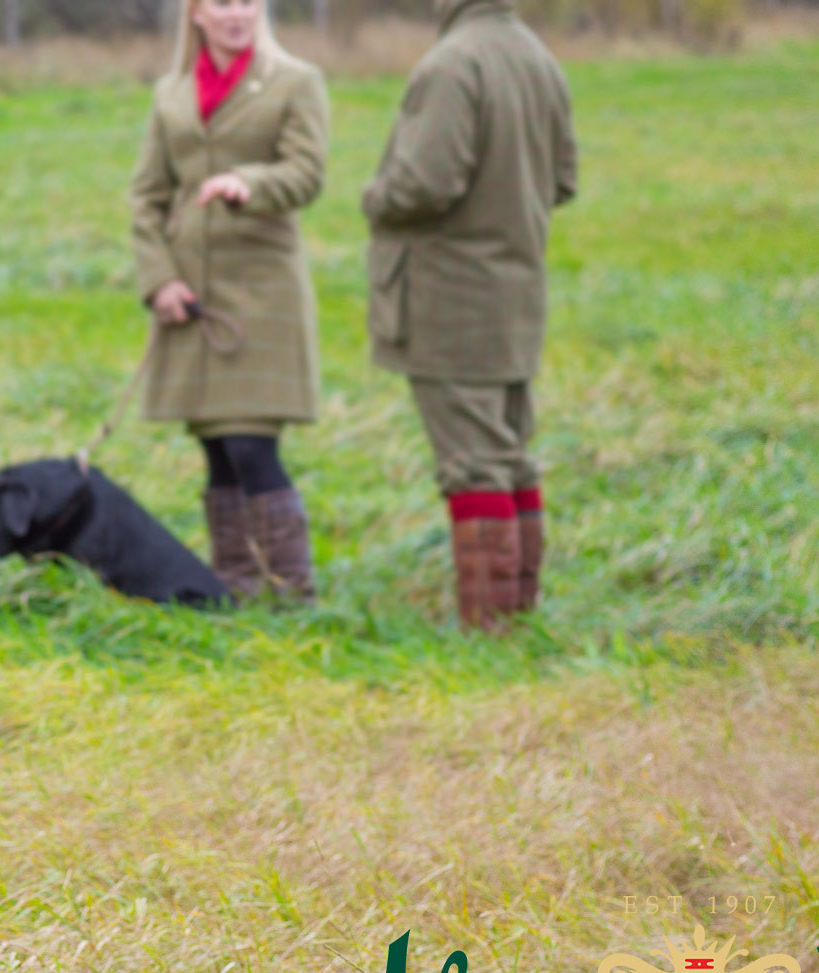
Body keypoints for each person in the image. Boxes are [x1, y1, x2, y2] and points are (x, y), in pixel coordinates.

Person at [361, 0, 577, 629]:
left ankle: (491, 635)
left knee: (474, 465)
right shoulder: (539, 58)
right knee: (510, 456)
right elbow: (563, 180)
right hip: (515, 297)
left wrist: (374, 197)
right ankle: (518, 621)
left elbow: (426, 182)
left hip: (448, 302)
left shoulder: (452, 63)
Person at [129, 0, 330, 602]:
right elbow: (146, 197)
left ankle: (291, 594)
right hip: (194, 293)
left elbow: (307, 171)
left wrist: (252, 184)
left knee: (251, 443)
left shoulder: (296, 82)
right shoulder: (171, 93)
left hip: (262, 291)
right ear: (196, 13)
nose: (237, 12)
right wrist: (161, 280)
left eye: (248, 0)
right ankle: (237, 590)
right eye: (222, 2)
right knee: (216, 446)